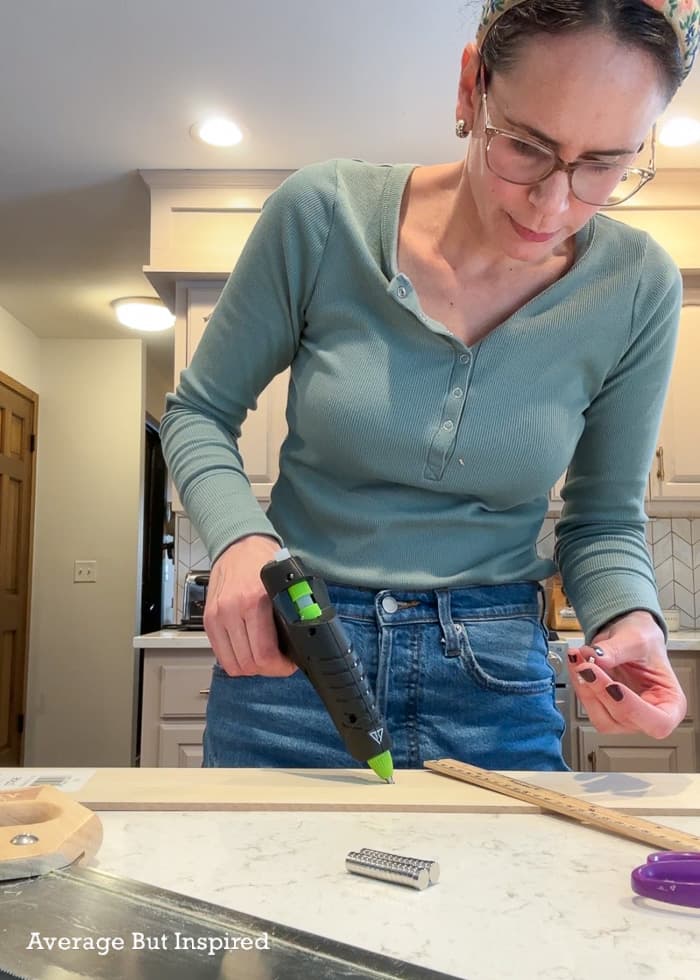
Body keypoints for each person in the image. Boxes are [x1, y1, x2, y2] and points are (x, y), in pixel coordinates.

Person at [161, 0, 699, 772]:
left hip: (496, 674)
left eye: (605, 165)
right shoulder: (322, 216)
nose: (554, 206)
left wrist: (631, 618)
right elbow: (199, 413)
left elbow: (604, 520)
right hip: (301, 654)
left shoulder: (638, 286)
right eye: (526, 146)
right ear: (471, 85)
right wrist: (244, 541)